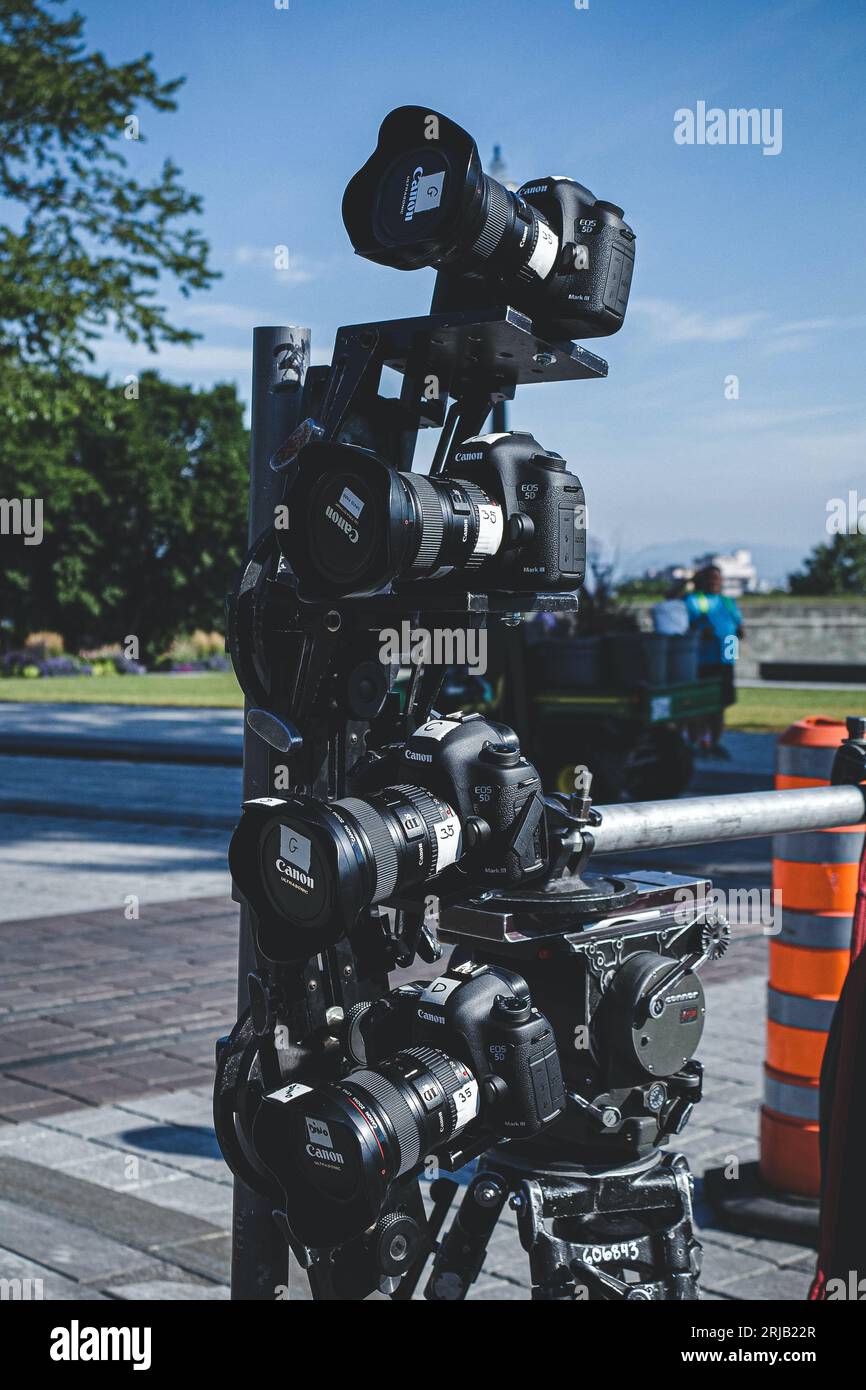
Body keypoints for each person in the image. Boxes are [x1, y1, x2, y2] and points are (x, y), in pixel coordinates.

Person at [685, 565, 744, 758]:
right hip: (703, 662)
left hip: (725, 661)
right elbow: (686, 626)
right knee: (700, 705)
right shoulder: (695, 601)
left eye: (718, 579)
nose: (715, 582)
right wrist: (701, 632)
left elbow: (737, 627)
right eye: (710, 579)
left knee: (719, 705)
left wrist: (734, 650)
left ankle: (714, 743)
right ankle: (698, 741)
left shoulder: (727, 602)